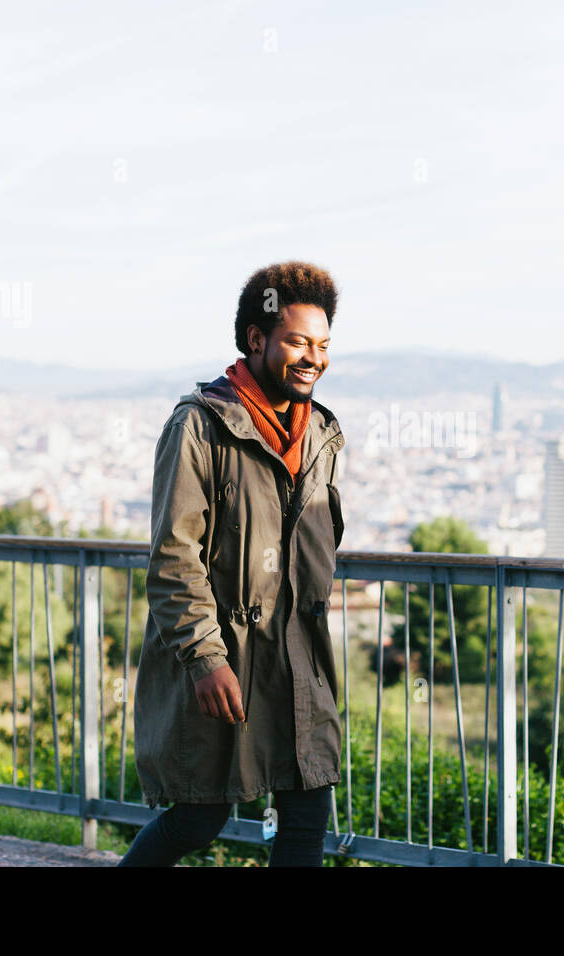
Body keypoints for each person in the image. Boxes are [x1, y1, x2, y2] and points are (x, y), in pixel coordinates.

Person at [119, 261, 346, 867]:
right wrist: (205, 658)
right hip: (225, 657)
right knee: (198, 815)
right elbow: (174, 557)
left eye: (322, 345)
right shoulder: (199, 425)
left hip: (300, 658)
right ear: (256, 339)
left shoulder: (322, 433)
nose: (313, 357)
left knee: (304, 818)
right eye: (297, 340)